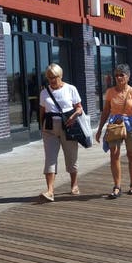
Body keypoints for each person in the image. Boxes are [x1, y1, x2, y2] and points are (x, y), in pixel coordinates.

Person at [95, 64, 132, 197]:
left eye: (121, 75)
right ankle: (117, 186)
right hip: (115, 126)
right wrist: (99, 129)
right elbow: (105, 111)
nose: (118, 77)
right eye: (116, 75)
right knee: (114, 154)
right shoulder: (110, 92)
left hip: (130, 125)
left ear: (128, 77)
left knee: (131, 155)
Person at [38, 63, 84, 202]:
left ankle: (74, 184)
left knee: (71, 156)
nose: (52, 80)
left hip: (68, 125)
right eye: (49, 77)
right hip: (50, 127)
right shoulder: (44, 92)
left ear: (61, 75)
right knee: (50, 158)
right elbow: (42, 111)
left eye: (55, 77)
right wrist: (42, 128)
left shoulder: (71, 89)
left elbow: (79, 108)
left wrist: (74, 116)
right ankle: (50, 191)